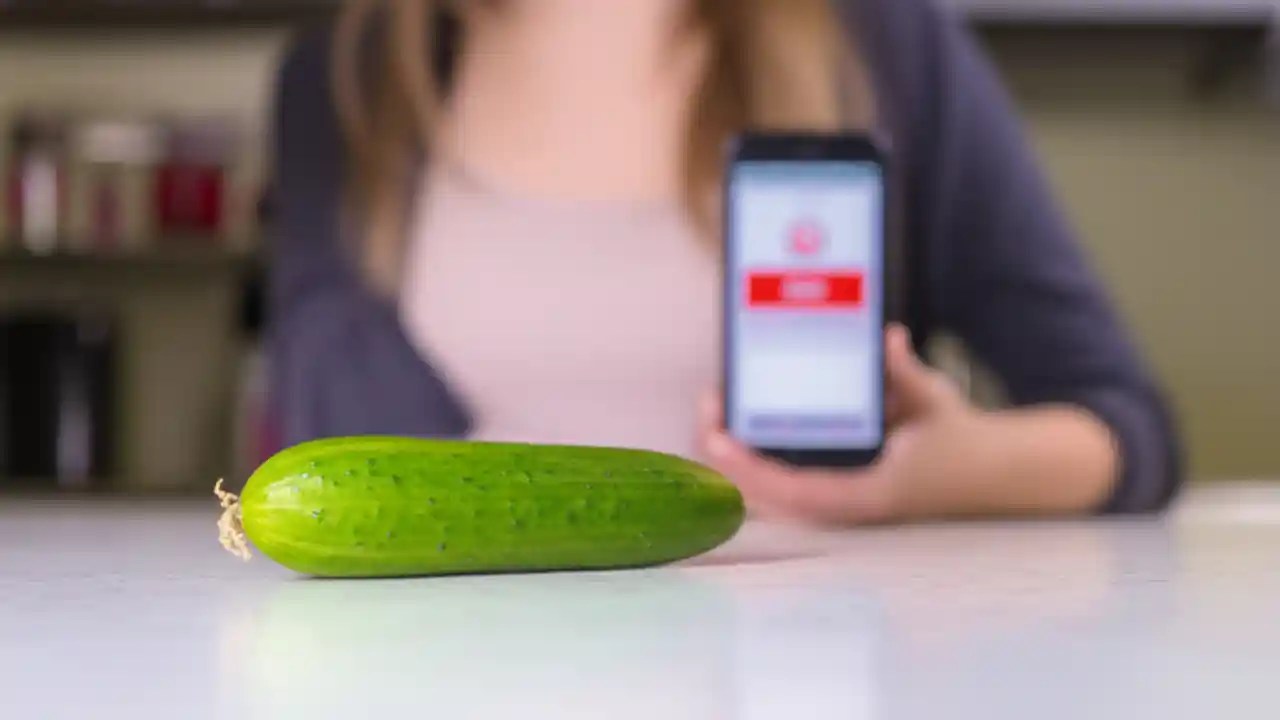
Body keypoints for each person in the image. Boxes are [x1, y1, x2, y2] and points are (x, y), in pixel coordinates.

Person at [268, 0, 1182, 525]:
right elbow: (316, 432)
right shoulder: (343, 73)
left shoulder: (882, 37)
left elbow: (1127, 428)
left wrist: (941, 473)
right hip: (441, 664)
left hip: (811, 657)